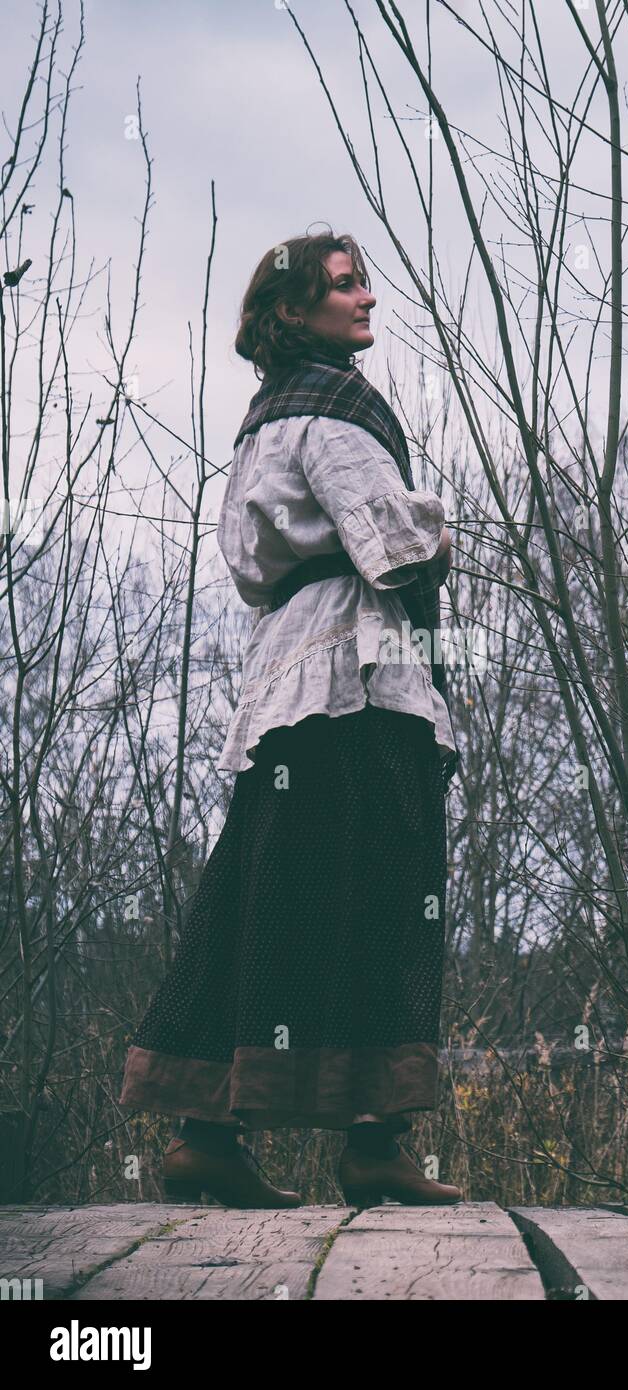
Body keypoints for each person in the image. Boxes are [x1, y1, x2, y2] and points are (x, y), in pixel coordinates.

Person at [118, 229, 462, 1209]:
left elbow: (249, 566)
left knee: (264, 895)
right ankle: (371, 1139)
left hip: (290, 680)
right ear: (294, 310)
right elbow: (396, 548)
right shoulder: (333, 417)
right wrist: (440, 531)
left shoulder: (262, 427)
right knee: (376, 894)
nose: (367, 299)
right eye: (346, 286)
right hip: (356, 681)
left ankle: (210, 1135)